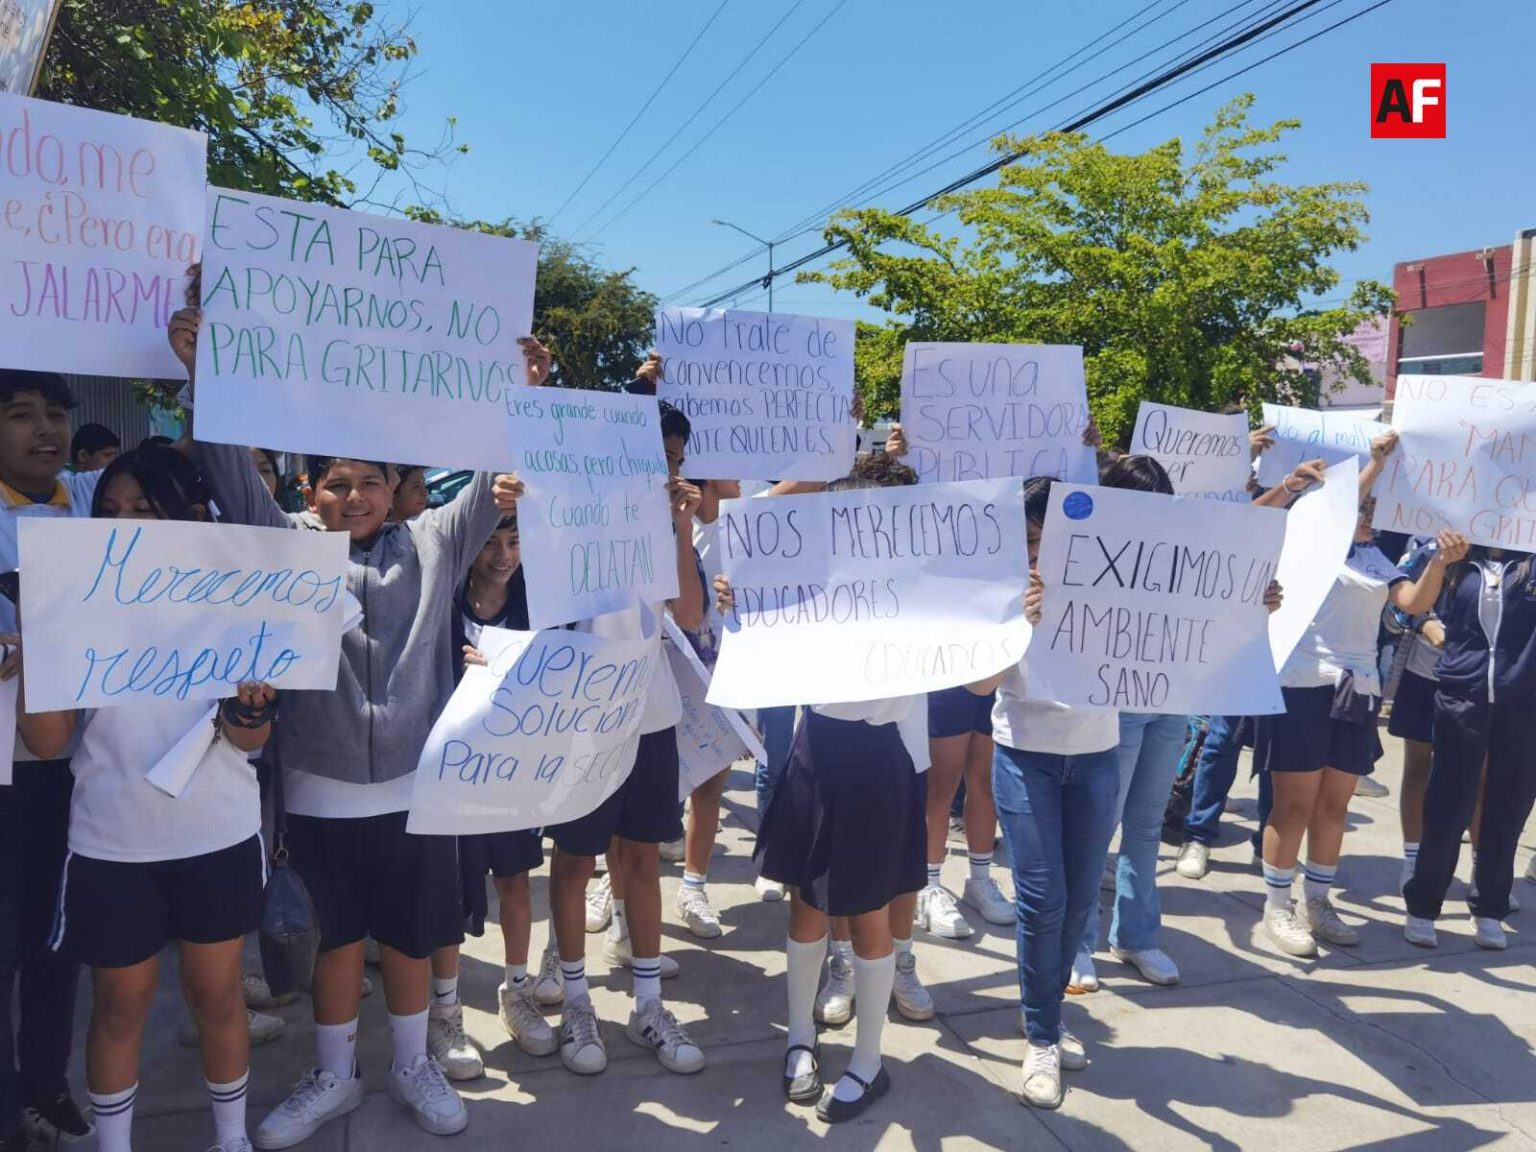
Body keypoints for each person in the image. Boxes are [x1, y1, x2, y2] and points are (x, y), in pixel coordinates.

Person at [167, 303, 533, 1147]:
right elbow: (229, 478)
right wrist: (202, 379)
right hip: (318, 798)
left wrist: (514, 395)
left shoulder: (434, 542)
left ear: (392, 491)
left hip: (416, 795)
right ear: (308, 493)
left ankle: (412, 1063)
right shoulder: (284, 543)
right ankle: (333, 1074)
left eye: (370, 482)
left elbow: (486, 482)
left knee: (408, 941)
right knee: (336, 945)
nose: (355, 497)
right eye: (337, 484)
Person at [10, 445, 273, 1152]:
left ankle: (230, 1139)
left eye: (145, 509)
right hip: (111, 840)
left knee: (217, 995)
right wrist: (39, 641)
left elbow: (251, 741)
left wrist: (251, 709)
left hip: (217, 833)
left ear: (187, 515)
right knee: (119, 1006)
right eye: (112, 510)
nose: (125, 522)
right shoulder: (75, 605)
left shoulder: (234, 600)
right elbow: (46, 739)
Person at [713, 453, 939, 1123]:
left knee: (868, 913)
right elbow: (766, 647)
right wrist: (741, 606)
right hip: (817, 748)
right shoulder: (816, 573)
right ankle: (801, 1040)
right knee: (806, 905)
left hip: (880, 755)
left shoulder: (921, 586)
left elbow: (977, 679)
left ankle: (869, 1062)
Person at [543, 400, 708, 1079]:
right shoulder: (567, 518)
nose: (665, 472)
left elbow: (692, 614)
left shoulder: (670, 526)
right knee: (577, 861)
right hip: (583, 719)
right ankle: (578, 1001)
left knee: (641, 861)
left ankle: (647, 1004)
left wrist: (679, 523)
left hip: (651, 715)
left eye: (674, 462)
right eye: (654, 459)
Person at [1255, 432, 1463, 958]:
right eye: (1361, 505)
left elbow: (1413, 603)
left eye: (1373, 508)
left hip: (1359, 689)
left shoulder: (1375, 559)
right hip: (1302, 684)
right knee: (1294, 803)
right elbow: (1317, 510)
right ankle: (1277, 908)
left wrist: (1437, 562)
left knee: (1334, 803)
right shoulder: (1306, 543)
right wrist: (1374, 462)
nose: (1368, 514)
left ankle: (1318, 900)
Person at [425, 515, 558, 1078]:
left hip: (514, 772)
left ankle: (515, 992)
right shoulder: (441, 603)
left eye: (514, 542)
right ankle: (446, 1010)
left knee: (516, 885)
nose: (504, 555)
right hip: (454, 770)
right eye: (491, 543)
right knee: (450, 896)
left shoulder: (541, 607)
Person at [0, 369, 95, 1150]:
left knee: (55, 946)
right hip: (5, 771)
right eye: (20, 415)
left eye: (55, 413)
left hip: (72, 770)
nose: (44, 429)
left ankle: (44, 1087)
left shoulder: (97, 503)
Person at [1404, 540, 1536, 949]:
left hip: (1524, 701)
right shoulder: (1451, 551)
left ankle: (1490, 908)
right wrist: (1430, 623)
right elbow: (1406, 602)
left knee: (1509, 808)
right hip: (1462, 695)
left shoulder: (1529, 561)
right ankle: (1423, 905)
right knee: (1447, 804)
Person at [675, 476, 741, 938]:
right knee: (642, 790)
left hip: (719, 673)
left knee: (709, 786)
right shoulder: (661, 524)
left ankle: (693, 886)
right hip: (661, 673)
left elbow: (808, 481)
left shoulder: (742, 523)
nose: (739, 477)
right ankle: (610, 886)